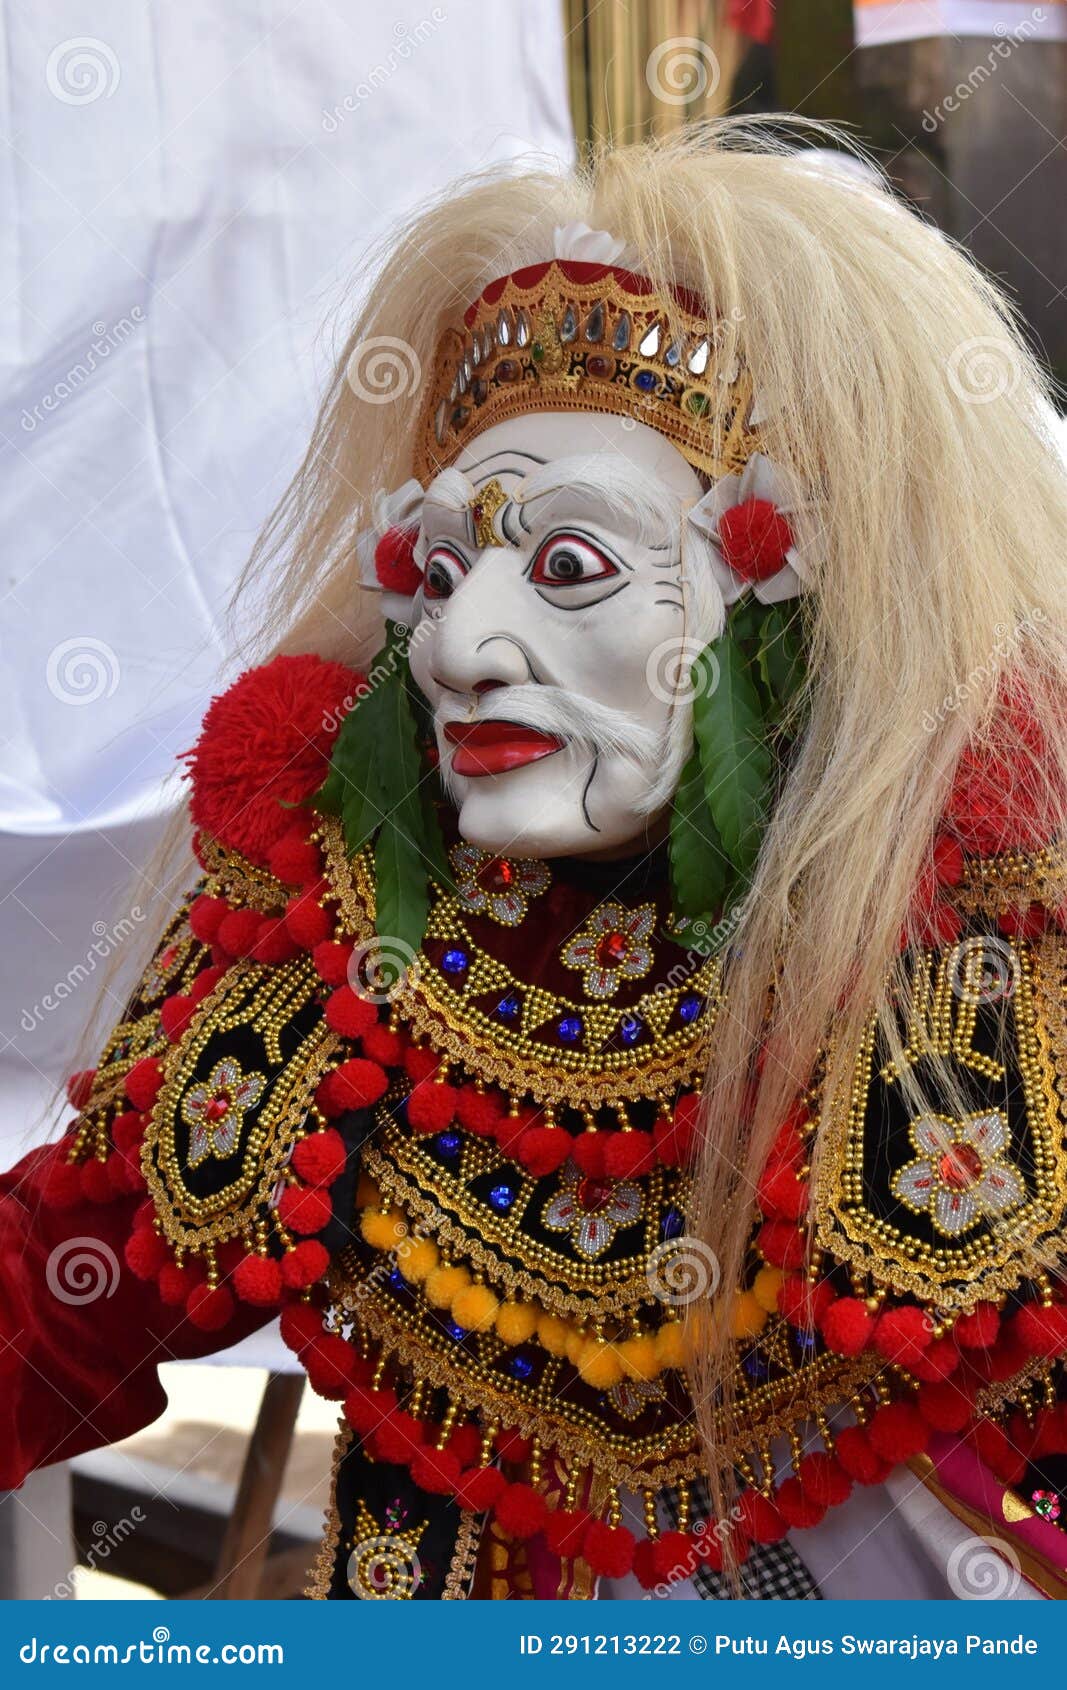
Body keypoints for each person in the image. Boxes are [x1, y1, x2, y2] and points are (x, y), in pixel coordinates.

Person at [2, 121, 1066, 1601]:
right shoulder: (340, 945)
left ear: (772, 562)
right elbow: (52, 1307)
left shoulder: (991, 950)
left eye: (571, 567)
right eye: (439, 571)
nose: (458, 643)